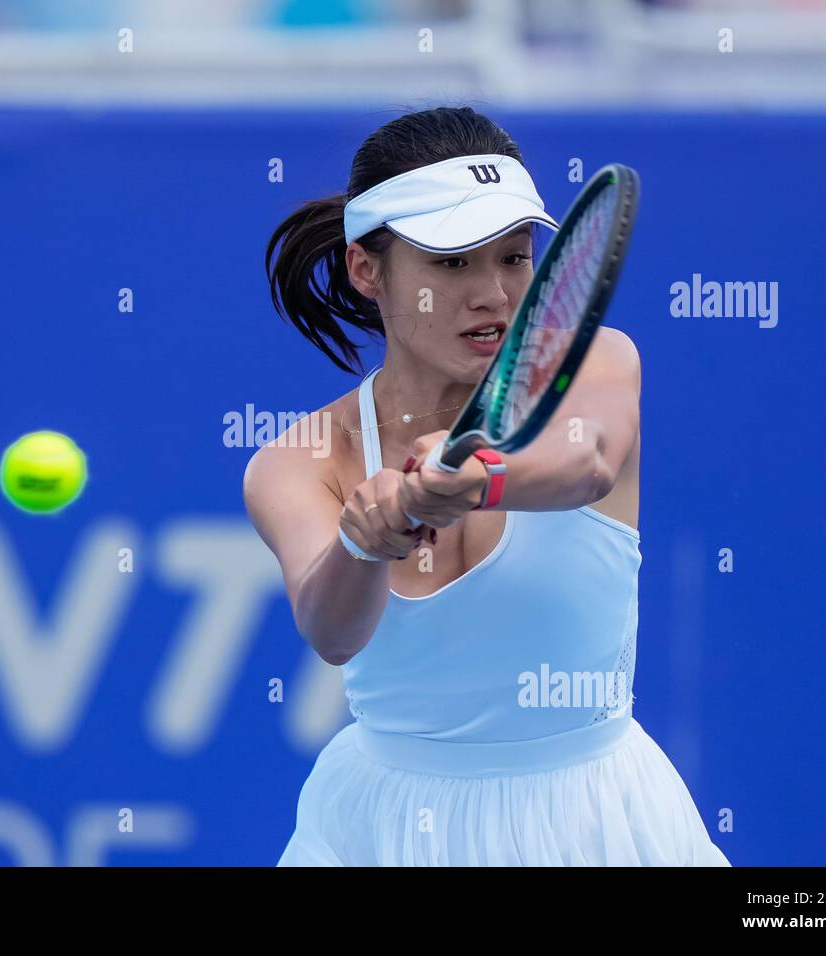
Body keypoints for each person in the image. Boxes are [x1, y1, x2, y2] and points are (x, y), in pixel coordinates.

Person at [247, 105, 730, 866]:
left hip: (595, 822)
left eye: (513, 257)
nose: (495, 295)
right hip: (381, 831)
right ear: (366, 269)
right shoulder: (298, 458)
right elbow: (333, 633)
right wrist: (363, 540)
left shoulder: (598, 359)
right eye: (452, 263)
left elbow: (588, 462)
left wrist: (476, 480)